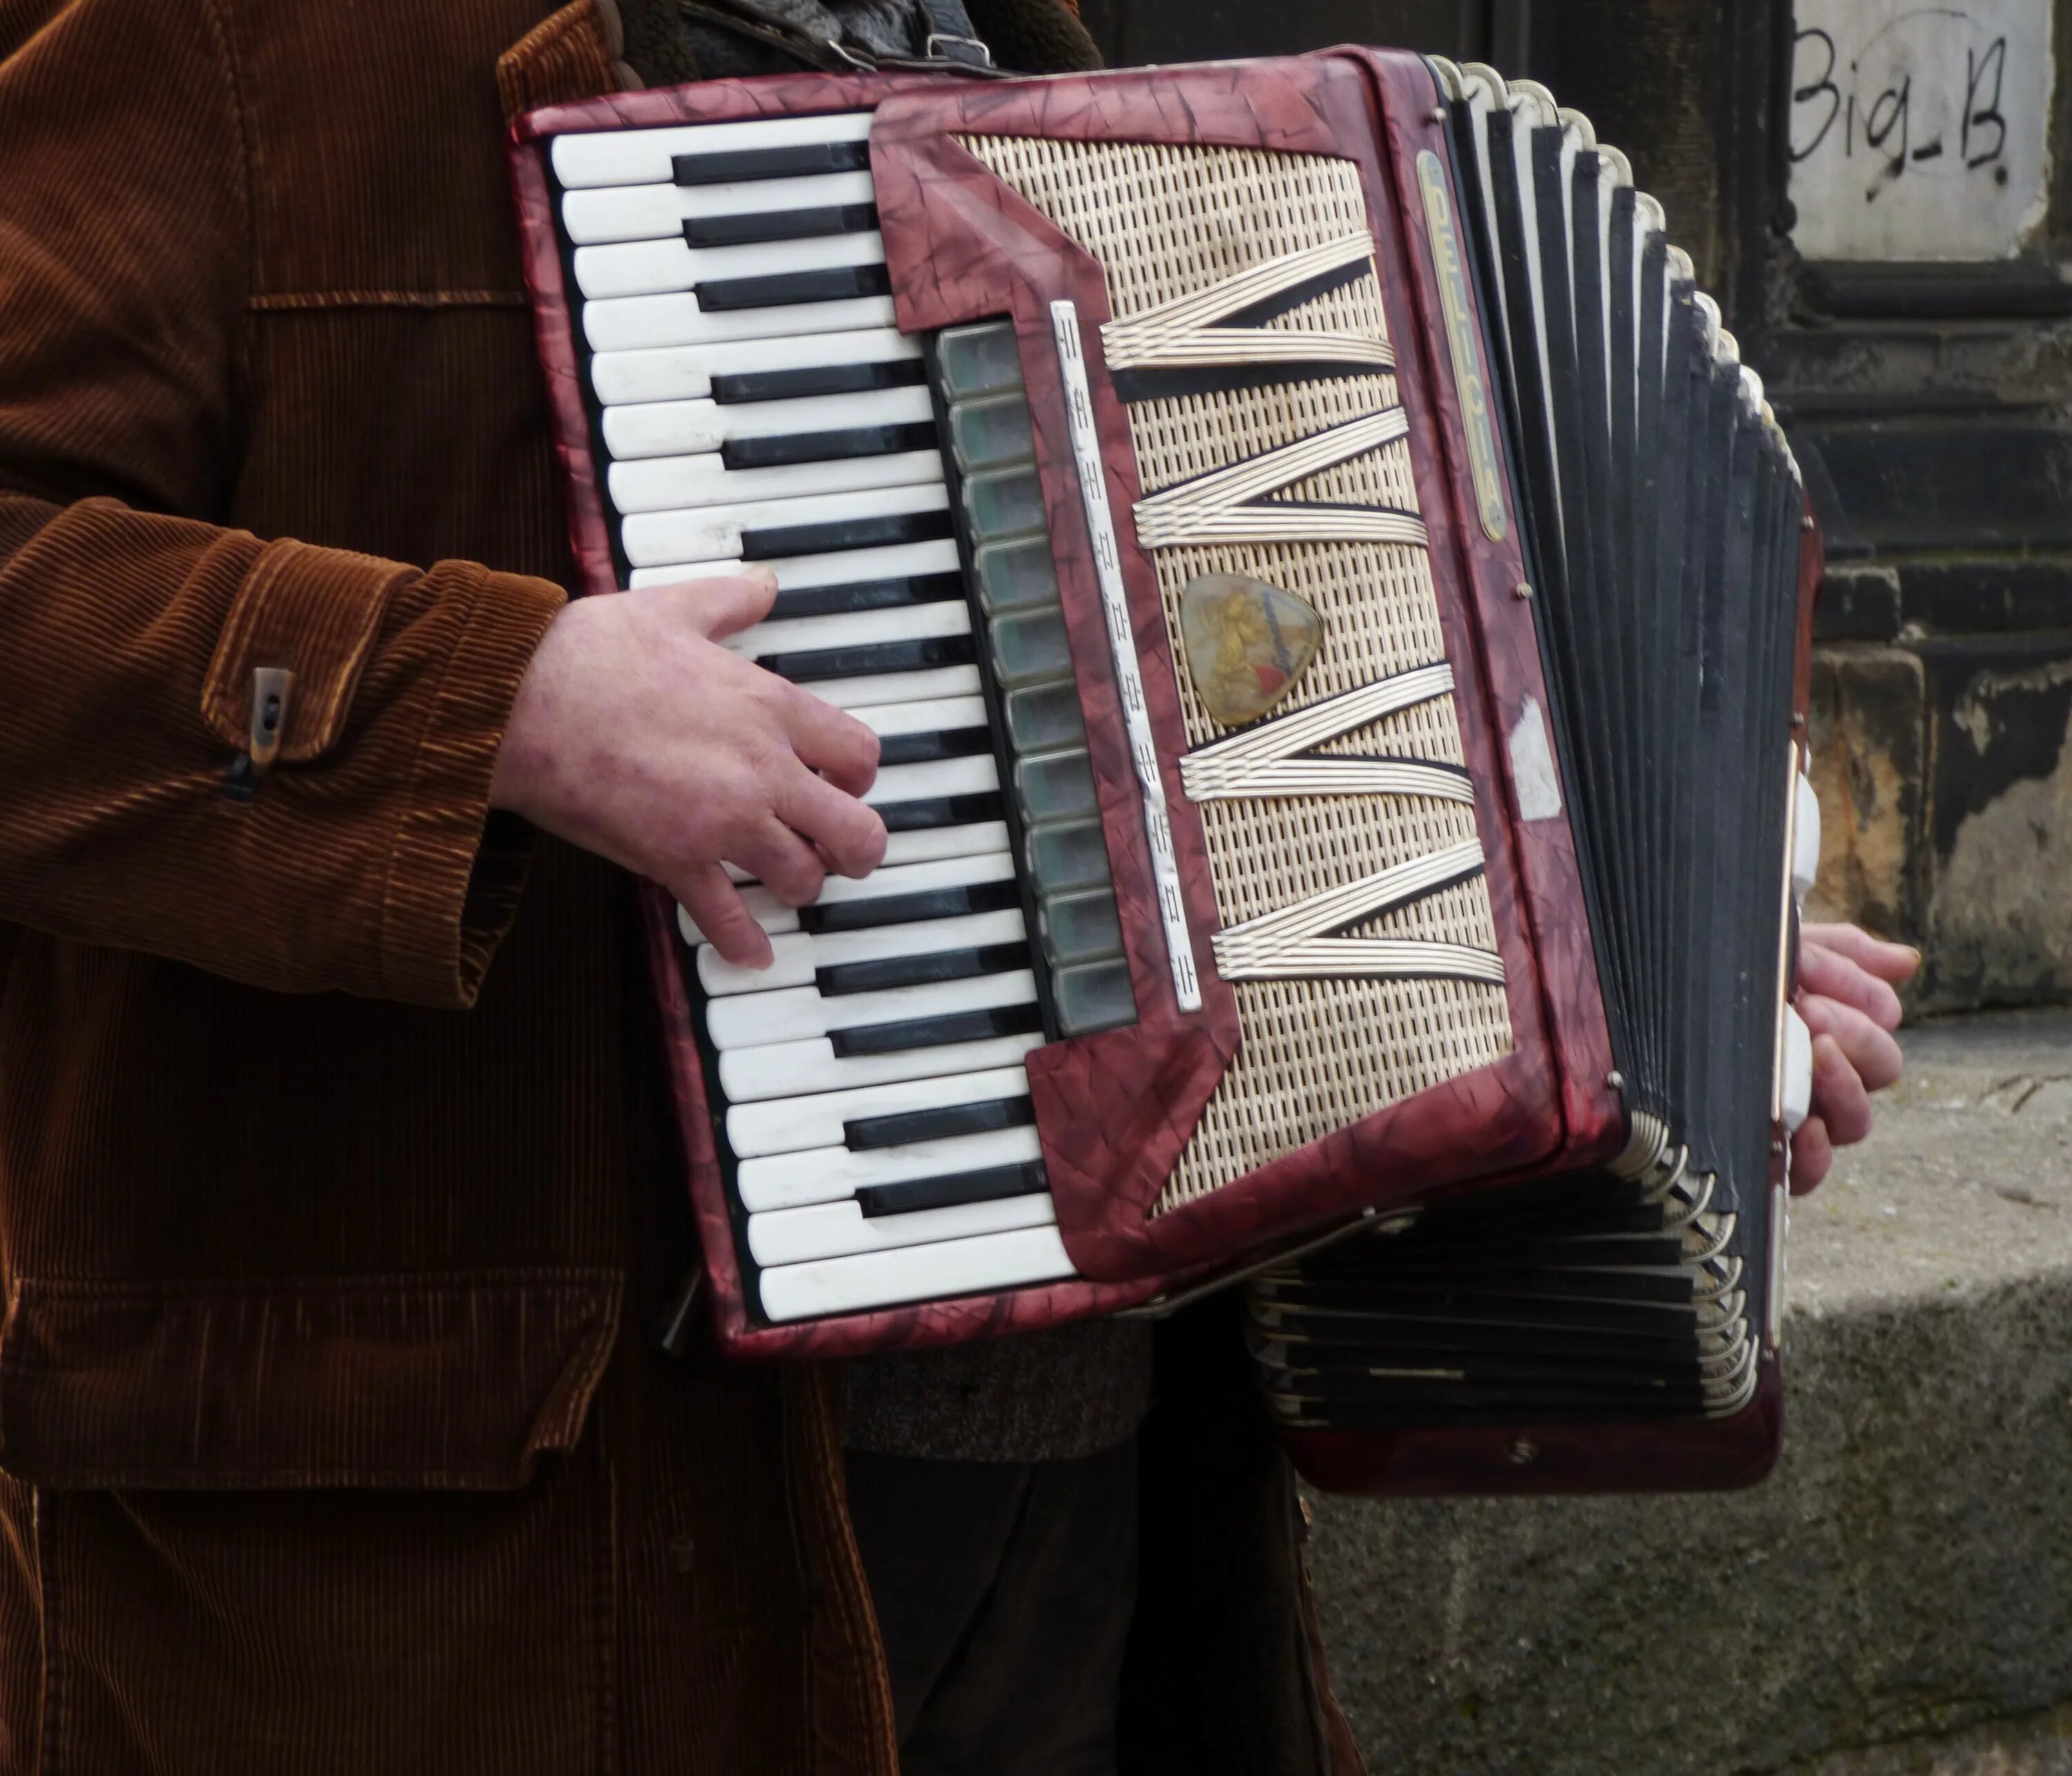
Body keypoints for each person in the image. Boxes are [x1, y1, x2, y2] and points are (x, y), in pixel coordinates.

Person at [0, 1, 1916, 1770]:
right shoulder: (233, 42)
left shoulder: (1023, 44)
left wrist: (1648, 987)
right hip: (494, 1567)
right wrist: (491, 703)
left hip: (1070, 1501)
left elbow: (1249, 764)